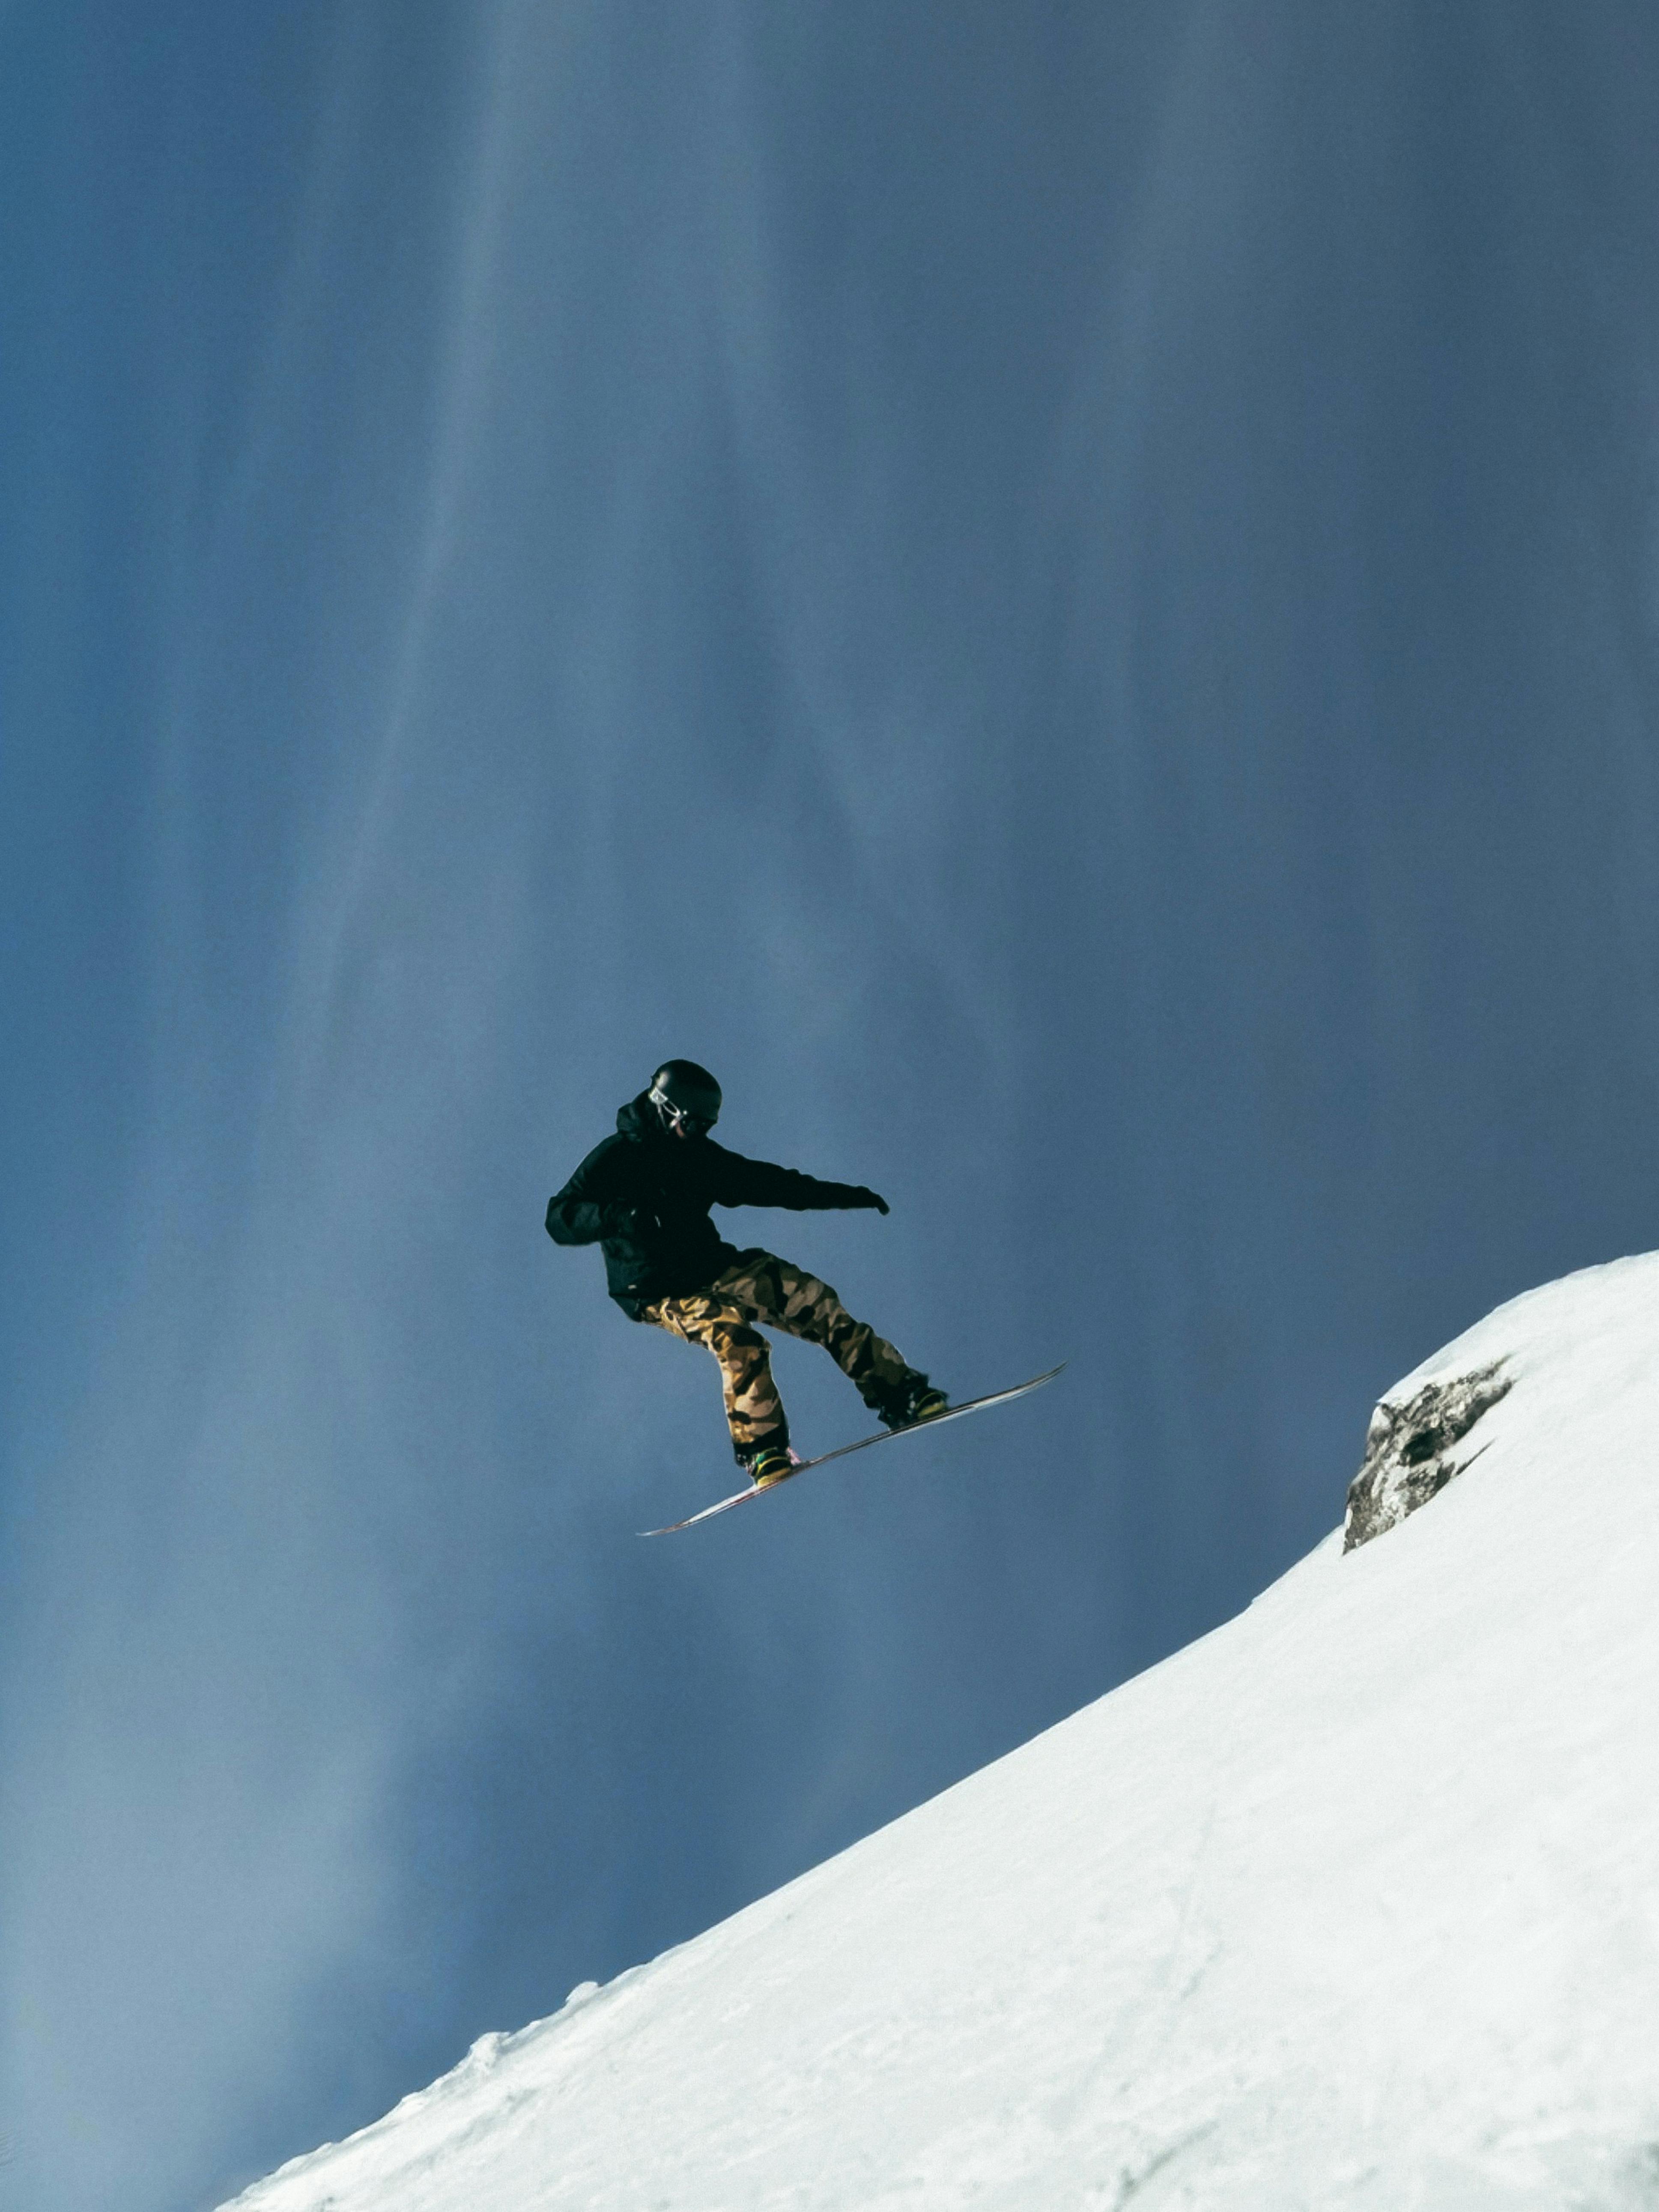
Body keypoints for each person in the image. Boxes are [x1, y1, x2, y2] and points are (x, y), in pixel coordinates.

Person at [545, 1060, 946, 1485]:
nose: (698, 1135)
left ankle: (899, 1392)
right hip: (655, 1287)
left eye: (706, 1127)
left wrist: (848, 1196)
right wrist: (622, 1215)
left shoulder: (699, 1157)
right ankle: (762, 1449)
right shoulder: (616, 1157)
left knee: (813, 1299)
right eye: (692, 1124)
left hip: (714, 1265)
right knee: (736, 1337)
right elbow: (561, 1215)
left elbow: (772, 1184)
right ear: (665, 1110)